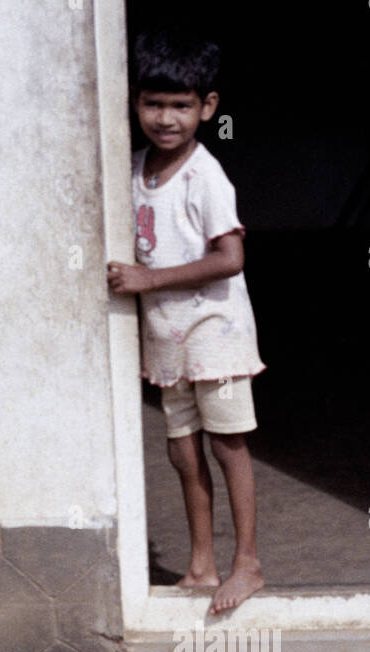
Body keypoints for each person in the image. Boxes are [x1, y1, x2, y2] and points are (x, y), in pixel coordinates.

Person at [107, 31, 265, 615]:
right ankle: (201, 566)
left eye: (180, 105)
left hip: (215, 334)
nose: (165, 118)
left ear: (207, 107)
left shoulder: (205, 176)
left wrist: (148, 280)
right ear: (134, 102)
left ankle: (246, 562)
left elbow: (231, 257)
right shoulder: (133, 170)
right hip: (167, 337)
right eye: (153, 103)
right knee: (183, 451)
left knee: (227, 444)